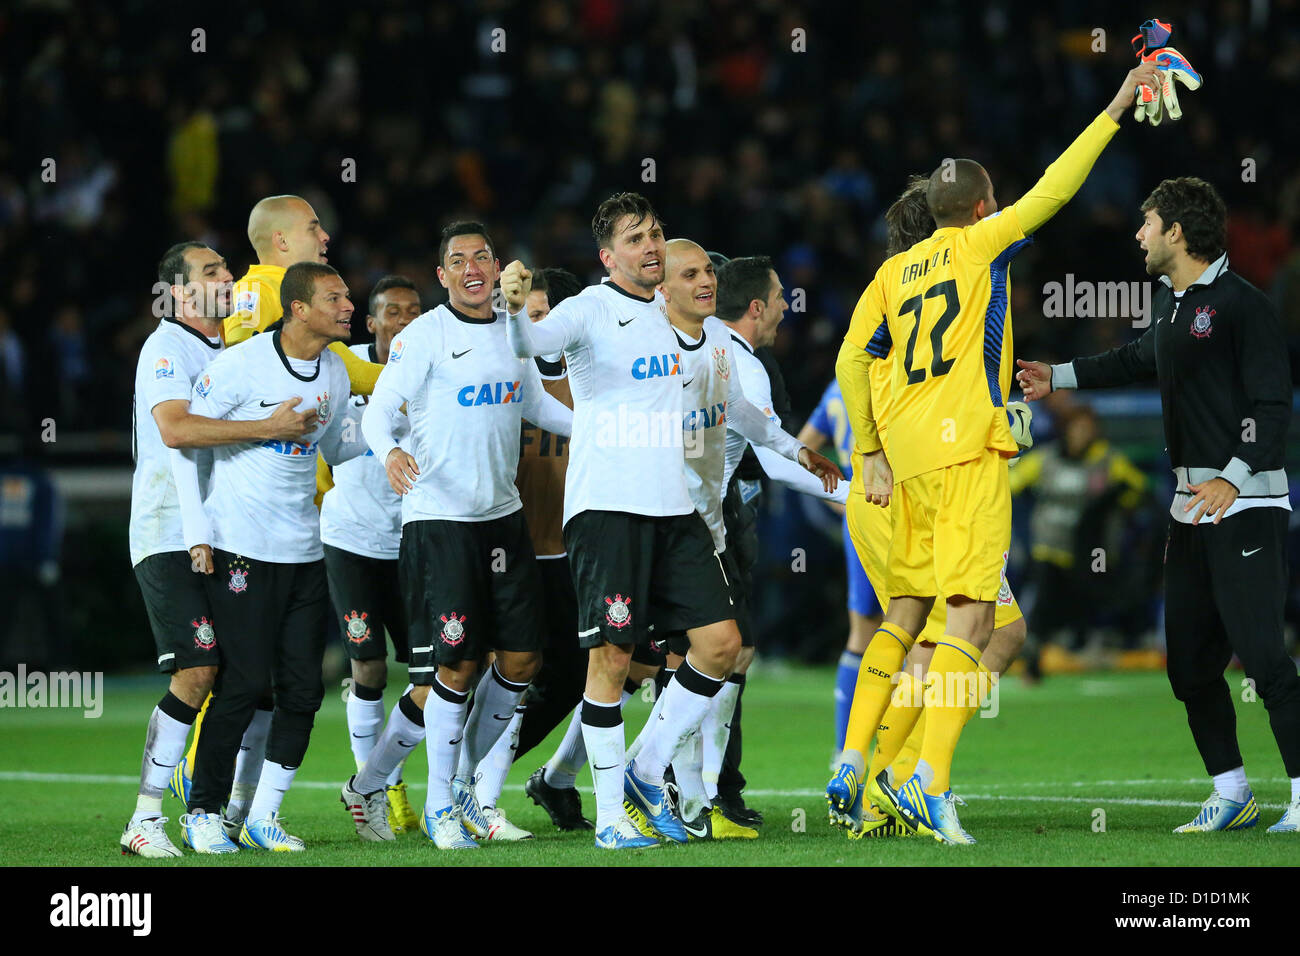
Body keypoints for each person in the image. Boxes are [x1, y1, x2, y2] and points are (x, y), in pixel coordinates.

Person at [834, 61, 1160, 844]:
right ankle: (927, 783)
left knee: (909, 611)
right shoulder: (982, 245)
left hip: (901, 465)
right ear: (980, 207)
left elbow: (850, 361)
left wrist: (871, 449)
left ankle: (857, 759)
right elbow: (1056, 187)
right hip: (965, 453)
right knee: (974, 621)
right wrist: (1117, 105)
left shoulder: (888, 274)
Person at [506, 192, 838, 849]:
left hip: (674, 508)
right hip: (607, 508)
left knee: (718, 645)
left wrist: (799, 450)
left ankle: (644, 770)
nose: (651, 246)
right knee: (613, 657)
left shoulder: (688, 322)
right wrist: (513, 306)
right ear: (609, 255)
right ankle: (607, 821)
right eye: (635, 238)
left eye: (655, 233)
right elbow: (537, 343)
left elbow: (740, 410)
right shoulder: (591, 309)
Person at [1016, 176, 1300, 834]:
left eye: (1146, 223)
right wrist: (1055, 376)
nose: (1138, 234)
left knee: (1263, 659)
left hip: (1246, 504)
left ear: (1176, 231)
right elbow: (1133, 358)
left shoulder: (1242, 305)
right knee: (1188, 664)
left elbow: (1271, 406)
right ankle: (1232, 793)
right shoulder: (1172, 306)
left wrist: (1232, 476)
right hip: (1189, 508)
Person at [340, 222, 572, 850]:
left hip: (502, 516)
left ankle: (458, 786)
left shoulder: (510, 330)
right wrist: (389, 452)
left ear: (497, 267)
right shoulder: (423, 337)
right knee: (457, 663)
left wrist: (595, 430)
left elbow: (533, 404)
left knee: (522, 658)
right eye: (458, 260)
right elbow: (381, 413)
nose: (473, 268)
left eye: (483, 257)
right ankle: (443, 805)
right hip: (439, 521)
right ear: (442, 276)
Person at [827, 179, 1029, 839]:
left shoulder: (890, 302)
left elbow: (850, 369)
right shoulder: (952, 282)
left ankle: (877, 772)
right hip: (924, 481)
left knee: (929, 627)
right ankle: (900, 779)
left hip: (882, 485)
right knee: (980, 632)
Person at [175, 194, 384, 800]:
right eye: (314, 226)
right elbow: (194, 432)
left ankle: (247, 806)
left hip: (293, 520)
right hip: (251, 524)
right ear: (283, 244)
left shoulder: (258, 304)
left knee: (284, 683)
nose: (325, 234)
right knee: (246, 679)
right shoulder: (267, 295)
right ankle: (204, 789)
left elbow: (340, 419)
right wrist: (418, 360)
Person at [122, 241, 317, 857]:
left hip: (230, 535)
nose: (227, 276)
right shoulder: (165, 347)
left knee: (250, 676)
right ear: (178, 293)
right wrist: (268, 427)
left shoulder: (228, 349)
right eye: (211, 272)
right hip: (171, 531)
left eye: (226, 268)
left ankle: (229, 811)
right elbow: (176, 429)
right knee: (199, 668)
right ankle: (146, 818)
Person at [320, 275, 422, 834]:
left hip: (415, 538)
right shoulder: (341, 367)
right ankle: (375, 790)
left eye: (412, 311)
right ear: (372, 322)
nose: (403, 321)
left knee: (433, 667)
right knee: (368, 665)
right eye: (392, 312)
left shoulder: (432, 365)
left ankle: (387, 774)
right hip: (352, 539)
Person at [798, 379, 884, 769]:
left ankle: (844, 751)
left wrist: (841, 496)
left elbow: (801, 447)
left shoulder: (837, 386)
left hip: (860, 515)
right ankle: (895, 757)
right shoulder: (895, 373)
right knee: (914, 629)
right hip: (897, 512)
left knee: (864, 632)